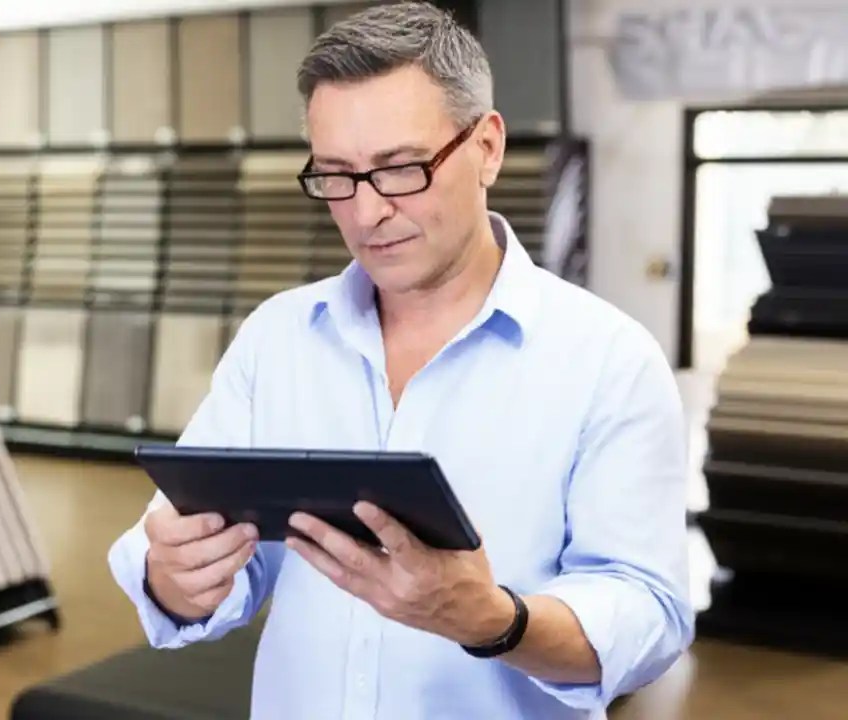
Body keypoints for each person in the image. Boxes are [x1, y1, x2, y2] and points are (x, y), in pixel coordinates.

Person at [107, 2, 694, 718]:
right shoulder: (278, 339)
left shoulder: (609, 361)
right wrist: (173, 575)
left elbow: (649, 613)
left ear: (487, 147)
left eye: (400, 169)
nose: (365, 212)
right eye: (336, 176)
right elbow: (195, 545)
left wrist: (493, 619)